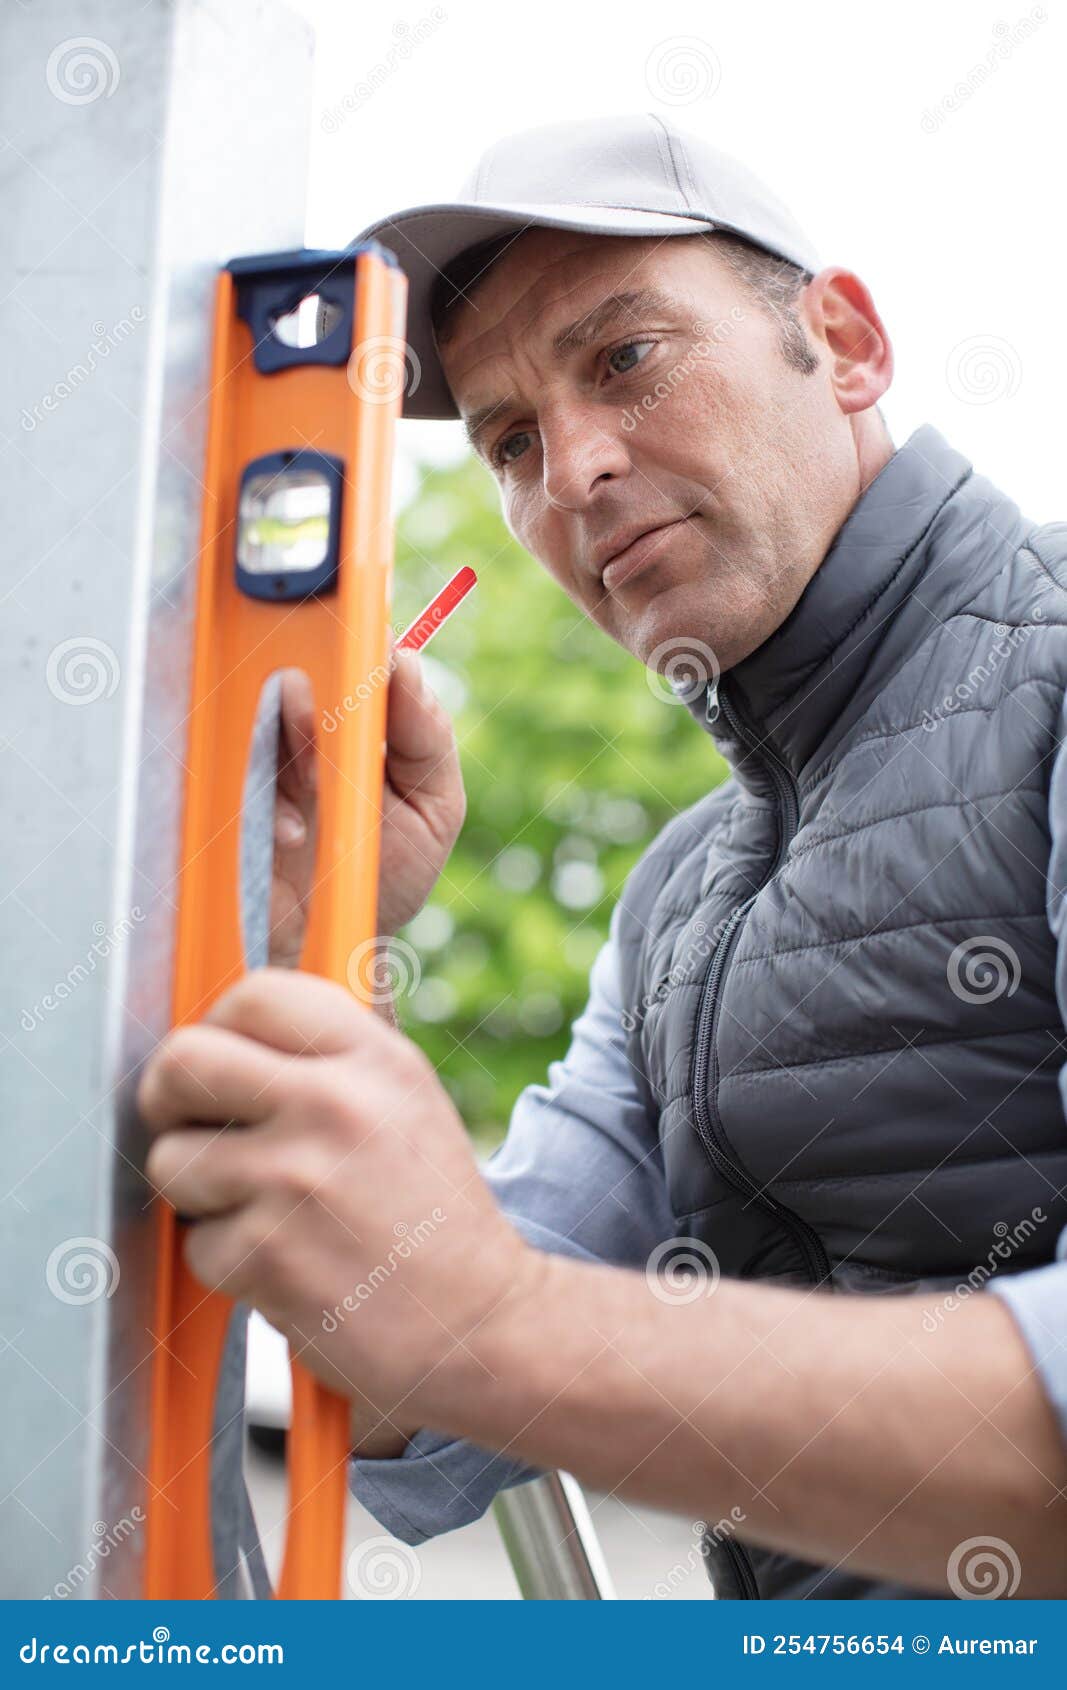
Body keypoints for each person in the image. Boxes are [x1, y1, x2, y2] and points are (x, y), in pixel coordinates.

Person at [139, 114, 1067, 1599]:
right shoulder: (682, 901)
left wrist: (492, 1319)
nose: (570, 469)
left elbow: (488, 1326)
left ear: (843, 341)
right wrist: (332, 945)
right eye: (509, 439)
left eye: (626, 357)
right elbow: (412, 1384)